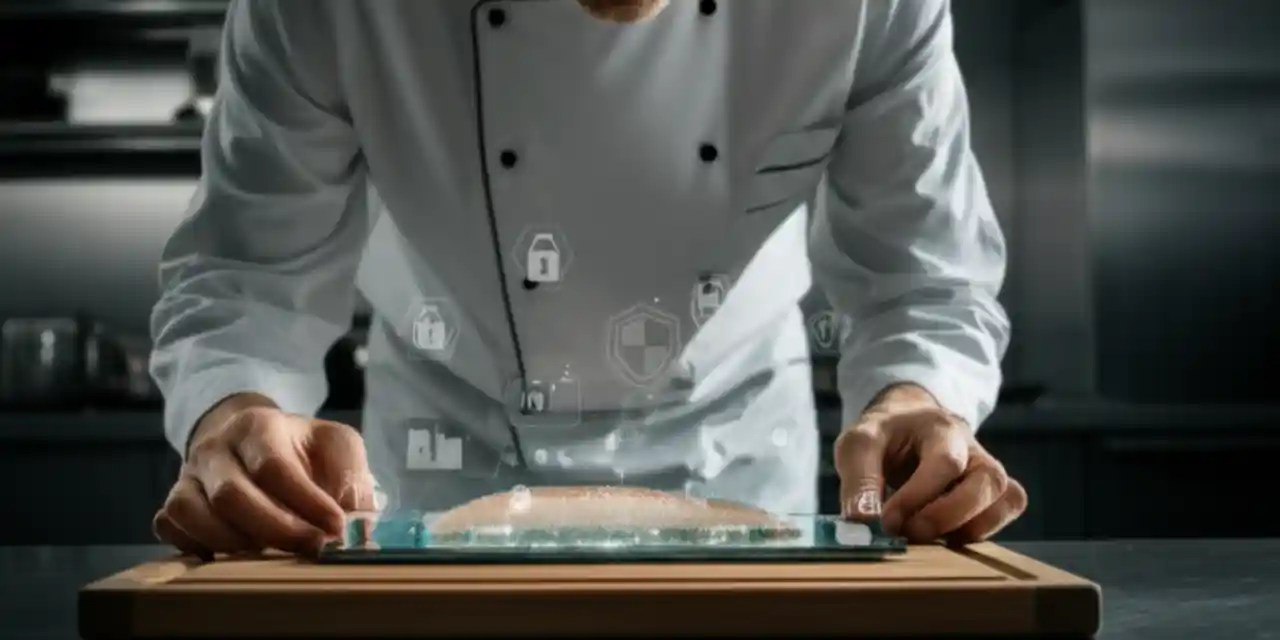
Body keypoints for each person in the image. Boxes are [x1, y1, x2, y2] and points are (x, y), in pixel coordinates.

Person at [149, 0, 1025, 560]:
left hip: (735, 465)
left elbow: (923, 275)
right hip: (444, 468)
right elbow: (248, 272)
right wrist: (238, 411)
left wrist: (917, 394)